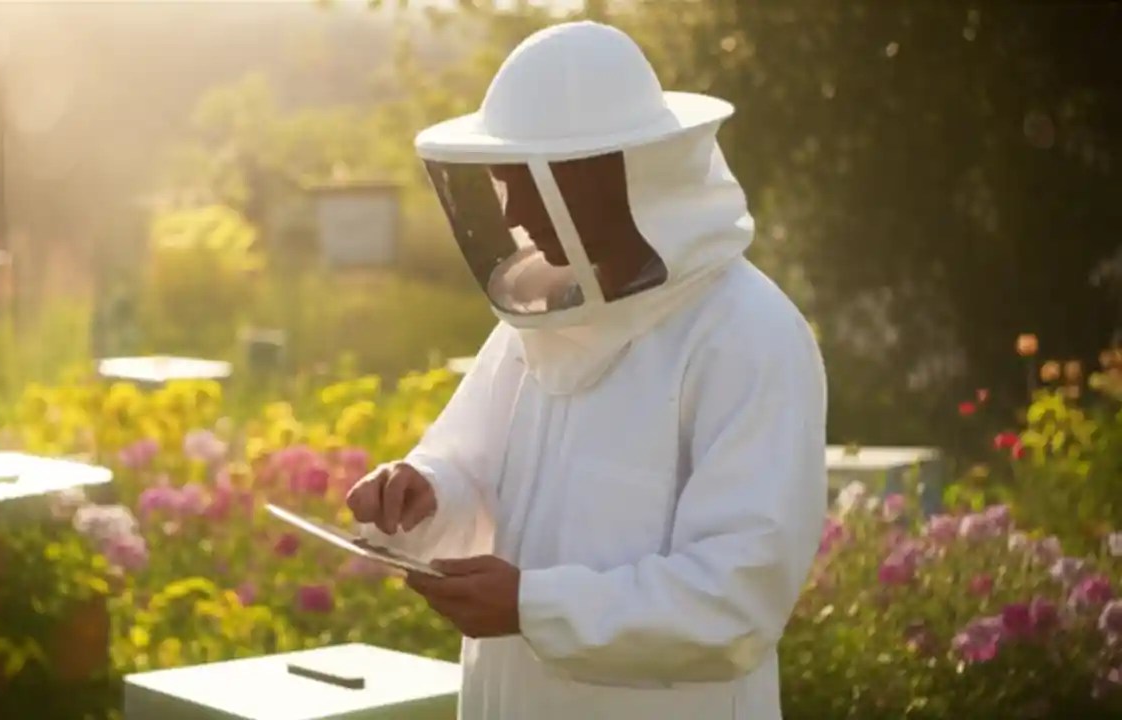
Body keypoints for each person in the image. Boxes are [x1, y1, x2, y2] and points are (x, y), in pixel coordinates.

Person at [346, 20, 828, 720]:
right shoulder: (542, 314)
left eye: (533, 179)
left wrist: (532, 604)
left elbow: (735, 598)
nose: (511, 210)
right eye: (503, 180)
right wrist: (421, 490)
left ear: (620, 170)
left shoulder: (748, 335)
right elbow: (469, 471)